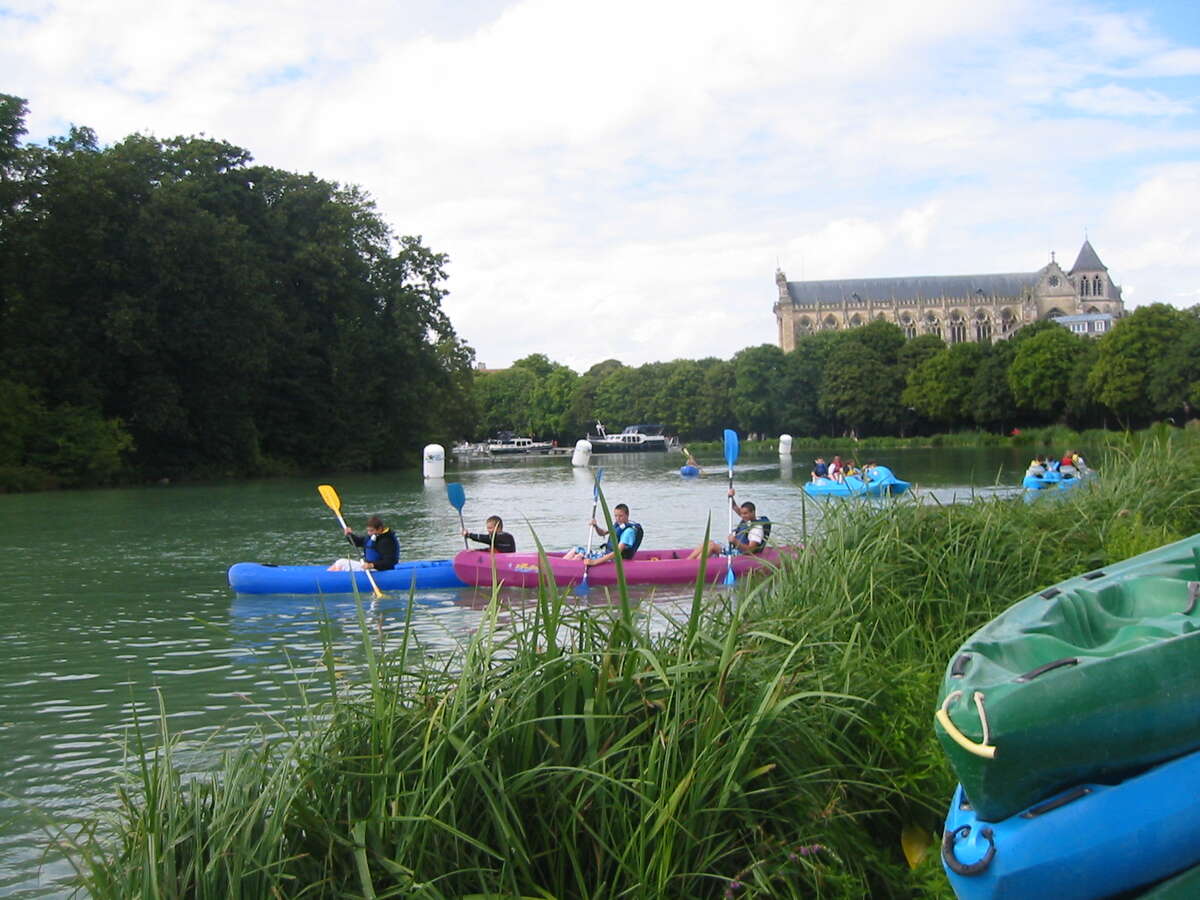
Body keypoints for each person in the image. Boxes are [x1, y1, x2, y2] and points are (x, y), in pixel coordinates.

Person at [688, 489, 770, 558]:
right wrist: (730, 496)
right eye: (742, 513)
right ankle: (688, 561)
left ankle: (697, 565)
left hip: (741, 555)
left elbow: (751, 550)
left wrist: (735, 541)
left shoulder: (757, 529)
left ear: (753, 512)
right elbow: (734, 506)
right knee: (709, 542)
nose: (743, 516)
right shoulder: (748, 519)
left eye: (745, 513)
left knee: (712, 546)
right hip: (735, 550)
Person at [563, 503, 644, 566]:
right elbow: (602, 533)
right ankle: (562, 564)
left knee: (579, 556)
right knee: (576, 549)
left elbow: (617, 552)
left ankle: (565, 568)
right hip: (606, 555)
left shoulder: (628, 532)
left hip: (615, 561)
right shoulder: (619, 526)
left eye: (620, 516)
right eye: (616, 516)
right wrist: (596, 526)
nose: (618, 519)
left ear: (627, 515)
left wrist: (595, 562)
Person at [328, 515, 399, 571]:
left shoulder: (387, 541)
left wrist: (372, 565)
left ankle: (330, 579)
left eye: (371, 531)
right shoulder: (374, 536)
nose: (369, 533)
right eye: (368, 531)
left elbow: (389, 562)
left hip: (380, 570)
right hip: (369, 567)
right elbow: (358, 542)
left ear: (380, 529)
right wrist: (349, 535)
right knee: (340, 562)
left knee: (341, 563)